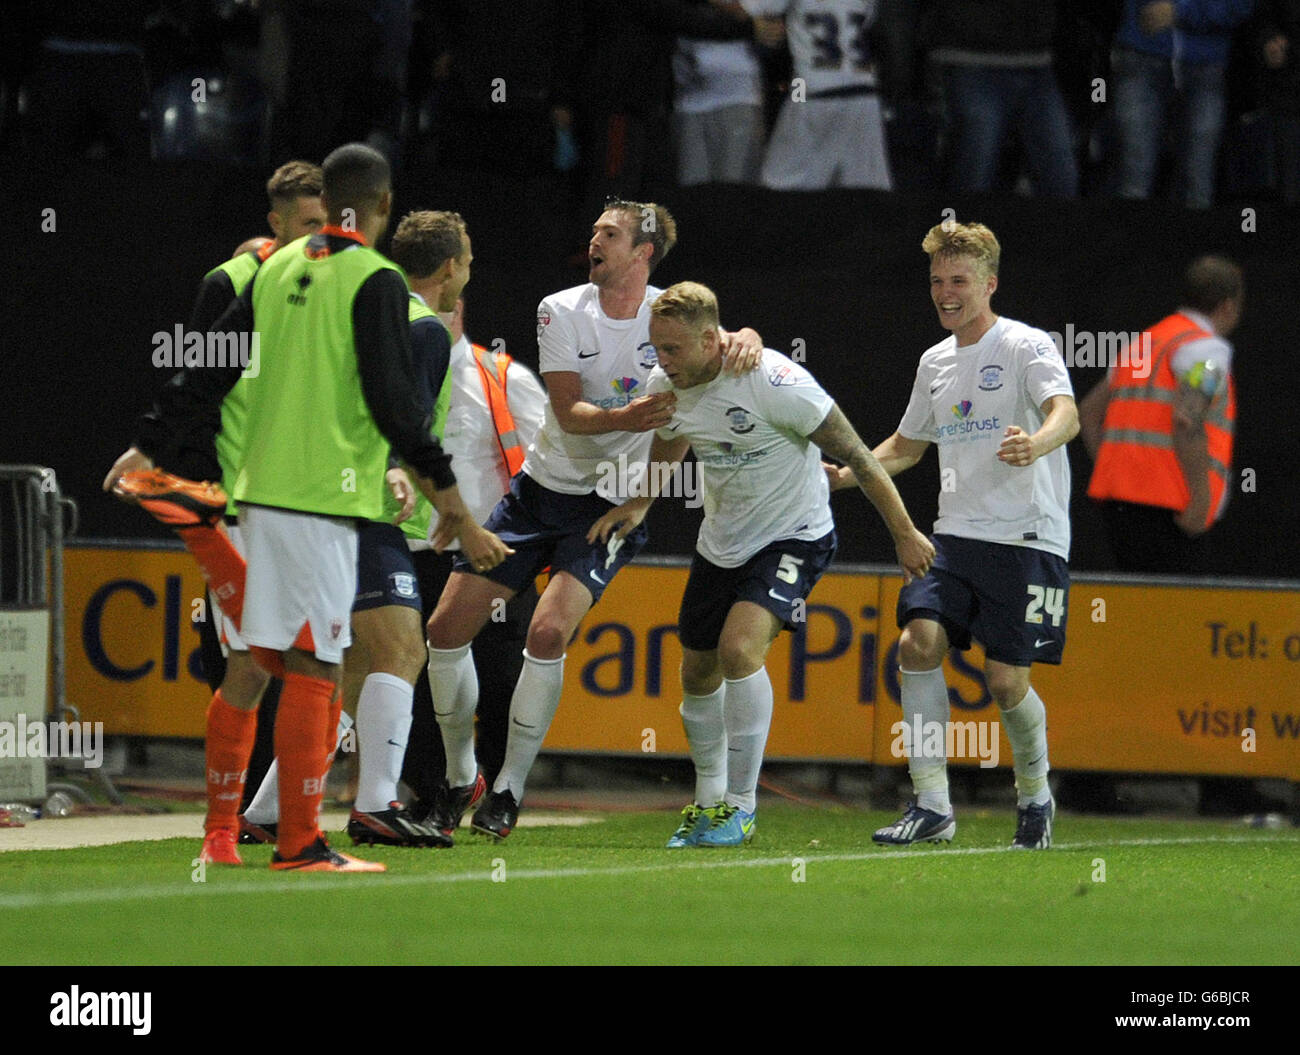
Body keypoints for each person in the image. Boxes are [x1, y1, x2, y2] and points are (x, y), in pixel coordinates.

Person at [108, 143, 509, 872]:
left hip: (257, 499)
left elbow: (208, 365)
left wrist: (147, 444)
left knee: (257, 661)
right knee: (318, 663)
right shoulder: (376, 278)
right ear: (384, 206)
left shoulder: (273, 267)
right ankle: (300, 842)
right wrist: (452, 501)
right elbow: (396, 405)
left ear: (329, 199)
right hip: (325, 504)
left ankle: (228, 834)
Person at [424, 198, 763, 840]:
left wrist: (747, 339)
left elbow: (692, 400)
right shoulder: (561, 309)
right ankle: (458, 773)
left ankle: (508, 790)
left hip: (607, 506)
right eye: (594, 231)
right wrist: (624, 419)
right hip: (540, 493)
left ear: (643, 253)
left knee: (548, 635)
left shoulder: (672, 316)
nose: (594, 240)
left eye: (610, 233)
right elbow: (570, 410)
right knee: (443, 631)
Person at [588, 282, 933, 847]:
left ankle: (741, 809)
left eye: (672, 349)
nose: (660, 361)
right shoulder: (666, 384)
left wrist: (904, 534)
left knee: (738, 649)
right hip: (722, 539)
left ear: (709, 339)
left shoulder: (776, 382)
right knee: (696, 672)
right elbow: (672, 440)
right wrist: (640, 501)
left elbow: (859, 457)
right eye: (655, 348)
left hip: (795, 534)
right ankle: (707, 805)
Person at [102, 160, 326, 868]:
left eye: (326, 224)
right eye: (306, 223)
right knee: (253, 663)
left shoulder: (341, 285)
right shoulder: (232, 284)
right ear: (277, 221)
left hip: (319, 495)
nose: (316, 236)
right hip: (246, 496)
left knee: (318, 660)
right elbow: (201, 381)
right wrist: (168, 458)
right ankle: (227, 831)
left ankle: (292, 829)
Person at [829, 221, 1079, 850]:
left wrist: (1036, 443)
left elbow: (1066, 414)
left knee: (1005, 684)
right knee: (917, 644)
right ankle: (932, 804)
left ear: (989, 283)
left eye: (959, 280)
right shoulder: (934, 362)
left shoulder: (1025, 346)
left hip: (1027, 535)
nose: (946, 292)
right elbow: (906, 448)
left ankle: (1035, 794)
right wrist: (847, 473)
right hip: (954, 537)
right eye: (938, 281)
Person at [239, 210, 478, 850]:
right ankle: (375, 805)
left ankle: (265, 811)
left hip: (300, 497)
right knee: (403, 651)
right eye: (468, 261)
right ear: (451, 266)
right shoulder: (424, 328)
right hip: (365, 507)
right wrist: (421, 484)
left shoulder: (350, 298)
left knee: (345, 670)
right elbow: (406, 420)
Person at [400, 297, 547, 836]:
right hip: (413, 552)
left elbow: (542, 463)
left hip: (495, 555)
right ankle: (435, 791)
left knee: (502, 679)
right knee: (411, 687)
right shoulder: (391, 378)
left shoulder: (501, 377)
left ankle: (502, 788)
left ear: (456, 302)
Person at [1080, 255, 1241, 572]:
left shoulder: (1143, 345)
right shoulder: (1206, 350)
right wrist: (1200, 502)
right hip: (1172, 510)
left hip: (1120, 510)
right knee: (1174, 614)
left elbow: (1087, 413)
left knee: (1136, 610)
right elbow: (1187, 419)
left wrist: (1116, 472)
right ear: (1227, 306)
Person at [1111, 0, 1253, 209]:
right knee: (1134, 178)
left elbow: (1240, 6)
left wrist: (1182, 11)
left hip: (1205, 63)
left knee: (1197, 185)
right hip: (1143, 52)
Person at [742, 0, 893, 190]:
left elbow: (748, 7)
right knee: (866, 190)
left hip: (810, 87)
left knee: (778, 183)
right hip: (864, 88)